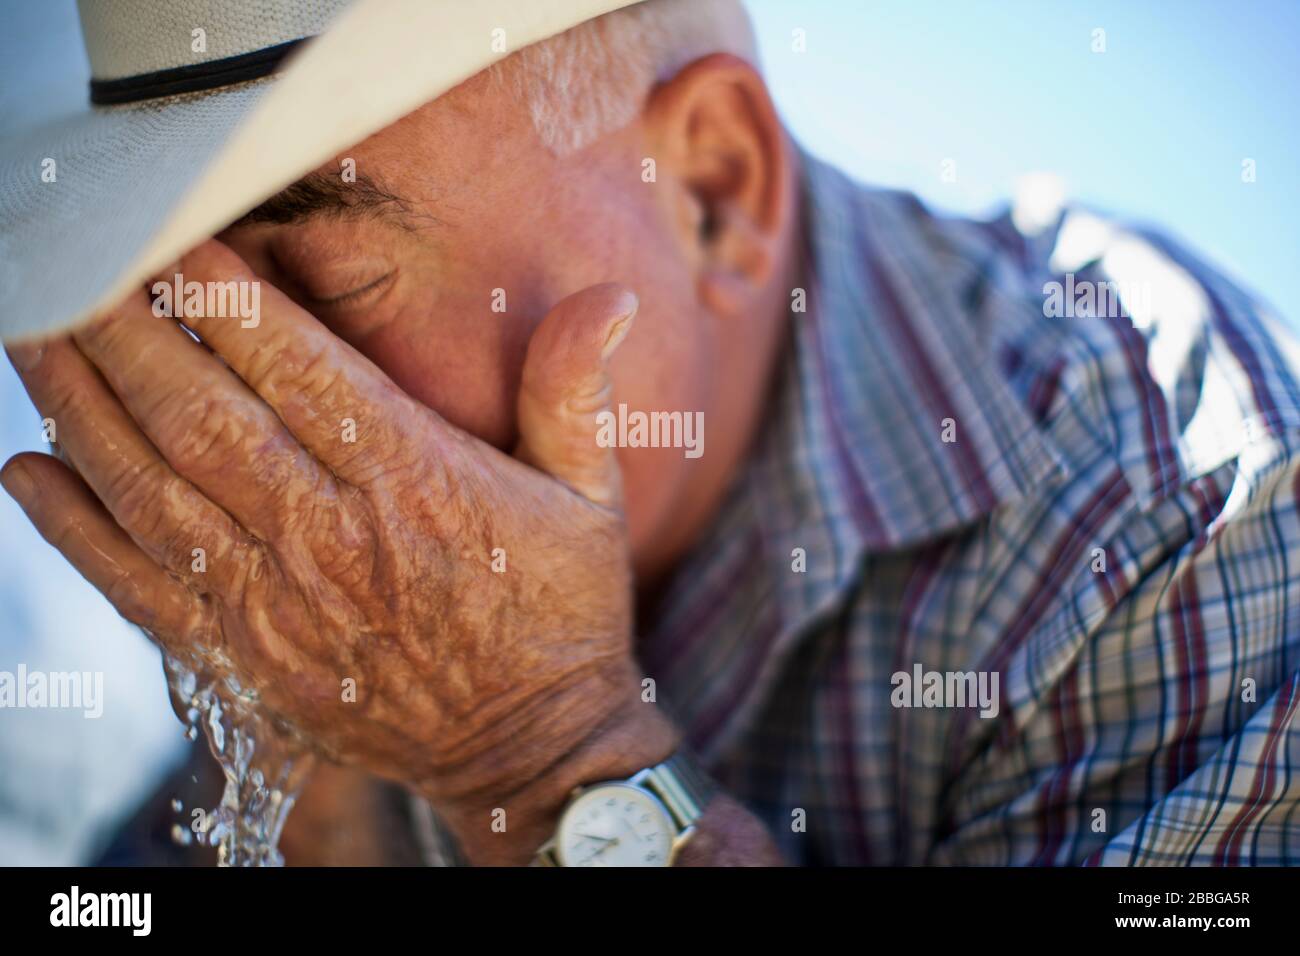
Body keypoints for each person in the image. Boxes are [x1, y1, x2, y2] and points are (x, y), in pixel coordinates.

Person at [3, 0, 1298, 866]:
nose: (234, 412)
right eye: (183, 308)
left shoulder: (1181, 513)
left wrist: (548, 754)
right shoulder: (355, 571)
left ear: (716, 193)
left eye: (328, 293)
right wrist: (323, 782)